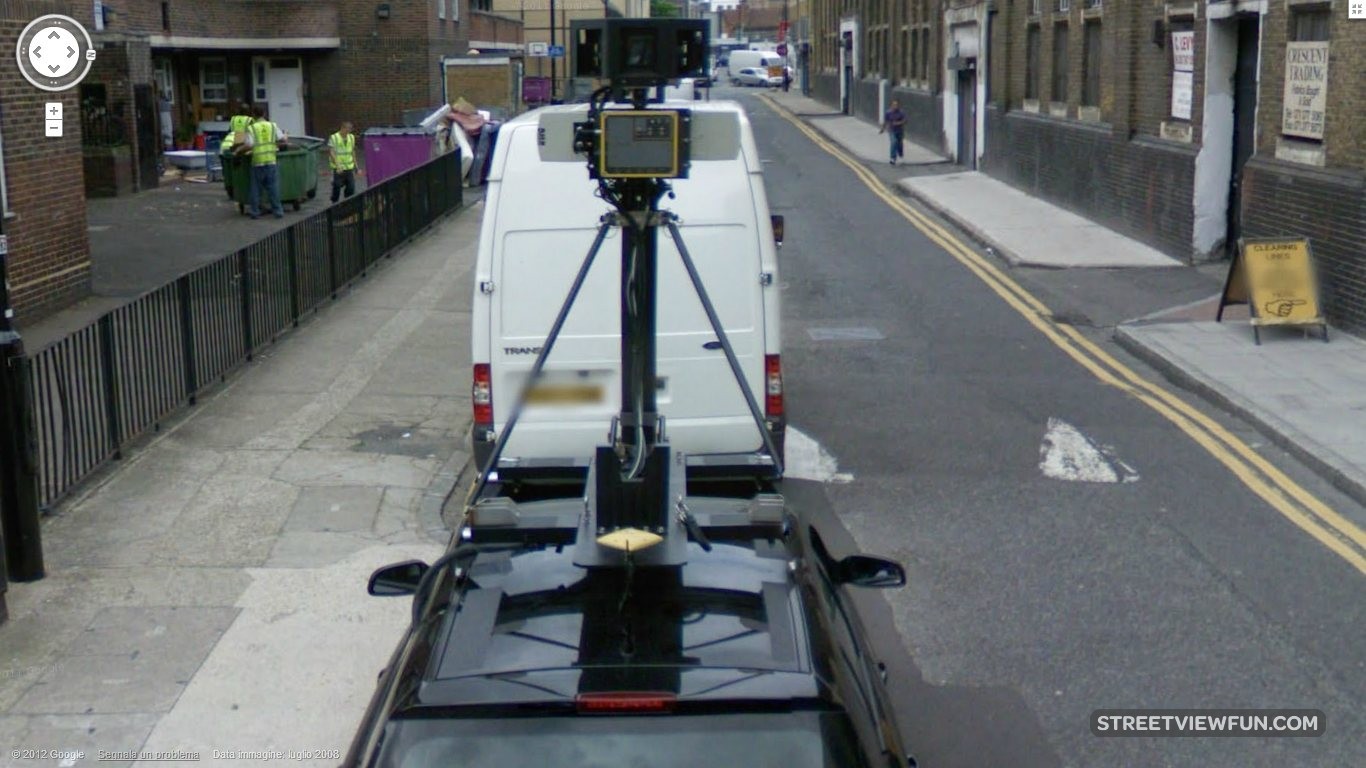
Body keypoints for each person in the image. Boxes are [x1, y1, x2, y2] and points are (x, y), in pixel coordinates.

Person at [242, 106, 287, 219]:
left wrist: (239, 150)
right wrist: (285, 135)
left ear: (254, 114)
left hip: (257, 162)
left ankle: (255, 212)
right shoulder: (272, 125)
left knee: (256, 189)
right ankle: (278, 211)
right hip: (271, 160)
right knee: (273, 188)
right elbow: (282, 139)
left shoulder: (251, 128)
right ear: (264, 113)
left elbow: (249, 144)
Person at [328, 120, 357, 203]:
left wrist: (356, 166)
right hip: (338, 168)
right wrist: (337, 165)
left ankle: (347, 202)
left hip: (349, 167)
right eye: (347, 129)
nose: (348, 131)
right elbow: (331, 152)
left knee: (351, 188)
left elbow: (352, 151)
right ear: (342, 128)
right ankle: (334, 201)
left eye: (350, 129)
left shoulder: (351, 137)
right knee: (337, 185)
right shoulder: (334, 137)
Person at [880, 100, 907, 165]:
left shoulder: (901, 112)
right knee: (894, 142)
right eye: (894, 105)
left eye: (896, 105)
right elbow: (886, 121)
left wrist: (898, 123)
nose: (895, 106)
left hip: (900, 130)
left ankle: (900, 155)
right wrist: (882, 129)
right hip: (891, 130)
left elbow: (905, 120)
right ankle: (892, 158)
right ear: (891, 106)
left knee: (900, 144)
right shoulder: (888, 113)